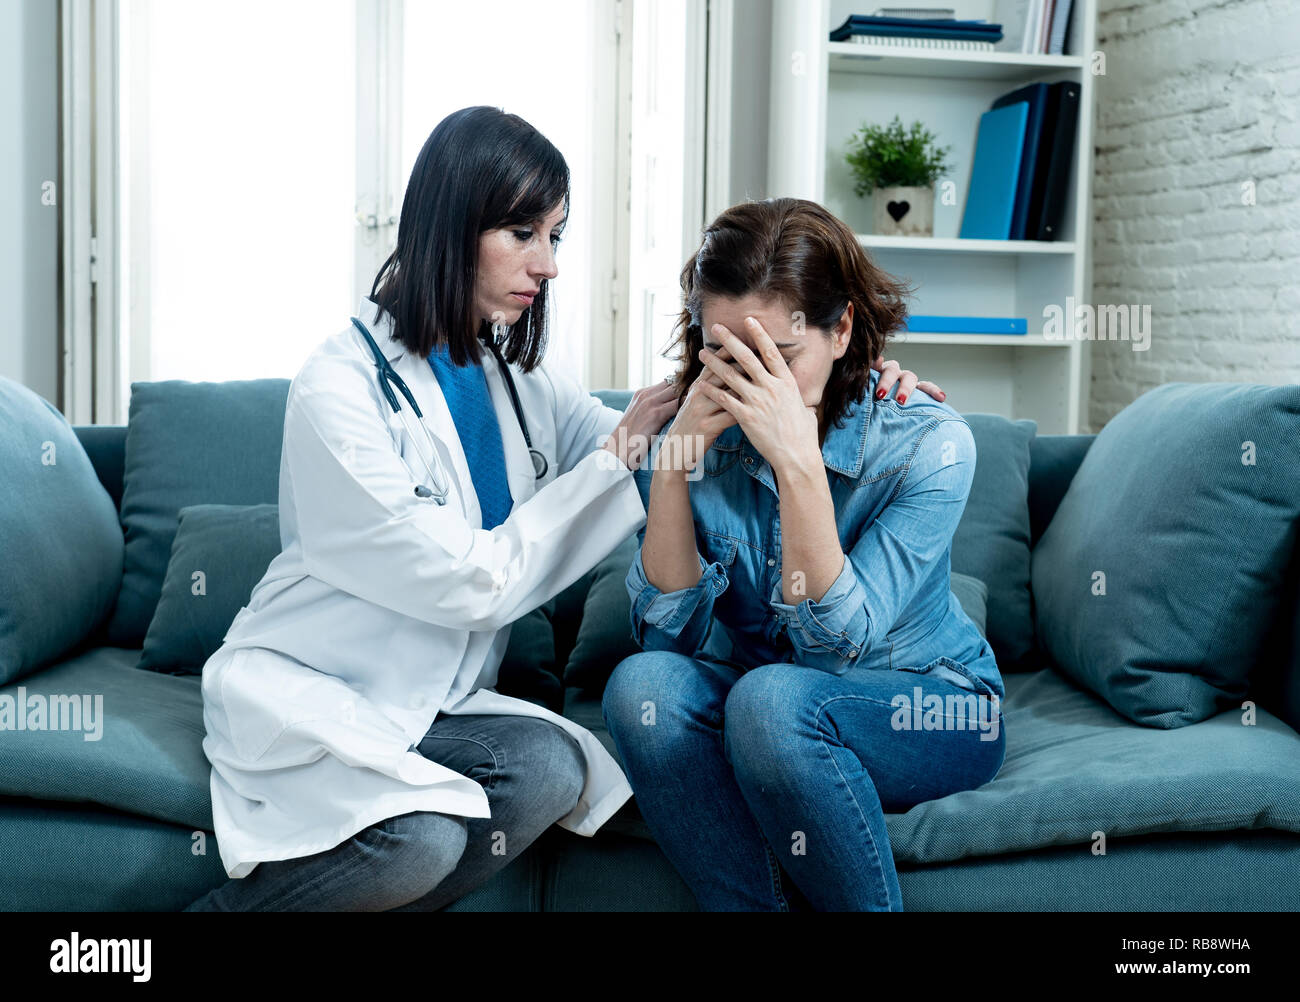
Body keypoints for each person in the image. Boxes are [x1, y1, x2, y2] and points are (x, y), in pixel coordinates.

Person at [186, 108, 940, 912]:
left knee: (551, 769)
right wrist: (625, 456)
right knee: (421, 839)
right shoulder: (339, 388)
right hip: (318, 687)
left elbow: (657, 433)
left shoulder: (516, 377)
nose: (547, 264)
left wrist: (846, 376)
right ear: (450, 225)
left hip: (428, 706)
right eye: (523, 234)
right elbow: (469, 578)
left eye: (556, 236)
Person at [602, 197, 1005, 912]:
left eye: (779, 356)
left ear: (842, 328)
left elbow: (835, 650)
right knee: (643, 690)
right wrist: (671, 465)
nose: (750, 382)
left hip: (929, 704)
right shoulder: (687, 428)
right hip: (766, 699)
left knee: (771, 702)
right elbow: (669, 637)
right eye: (725, 353)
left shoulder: (929, 445)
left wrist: (798, 461)